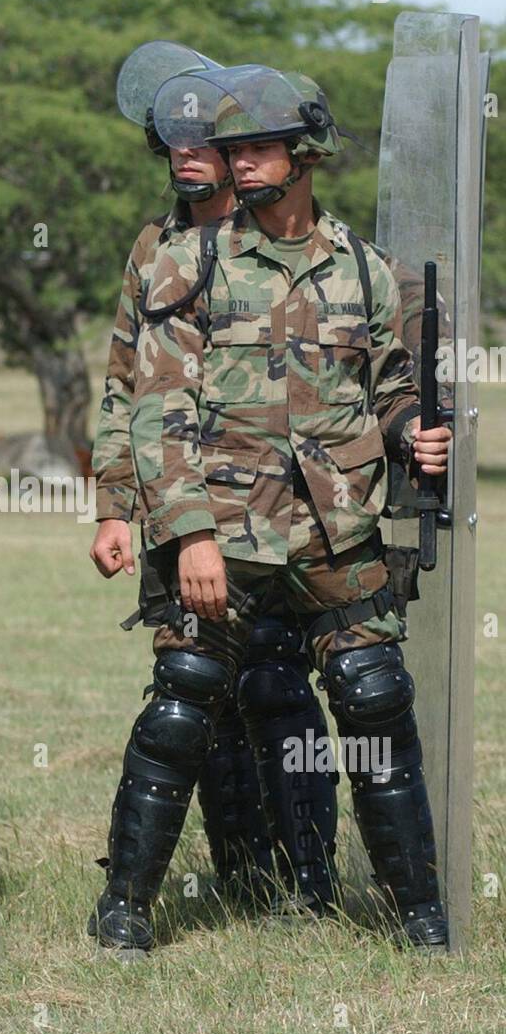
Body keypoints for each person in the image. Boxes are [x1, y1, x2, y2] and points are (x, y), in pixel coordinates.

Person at [88, 64, 452, 953]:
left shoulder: (365, 270)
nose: (236, 163)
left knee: (375, 705)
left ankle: (419, 914)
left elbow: (392, 386)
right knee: (184, 703)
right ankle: (127, 906)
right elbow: (156, 411)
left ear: (304, 155)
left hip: (339, 527)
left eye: (254, 149)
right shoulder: (190, 261)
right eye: (232, 150)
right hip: (225, 523)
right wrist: (189, 538)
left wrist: (413, 434)